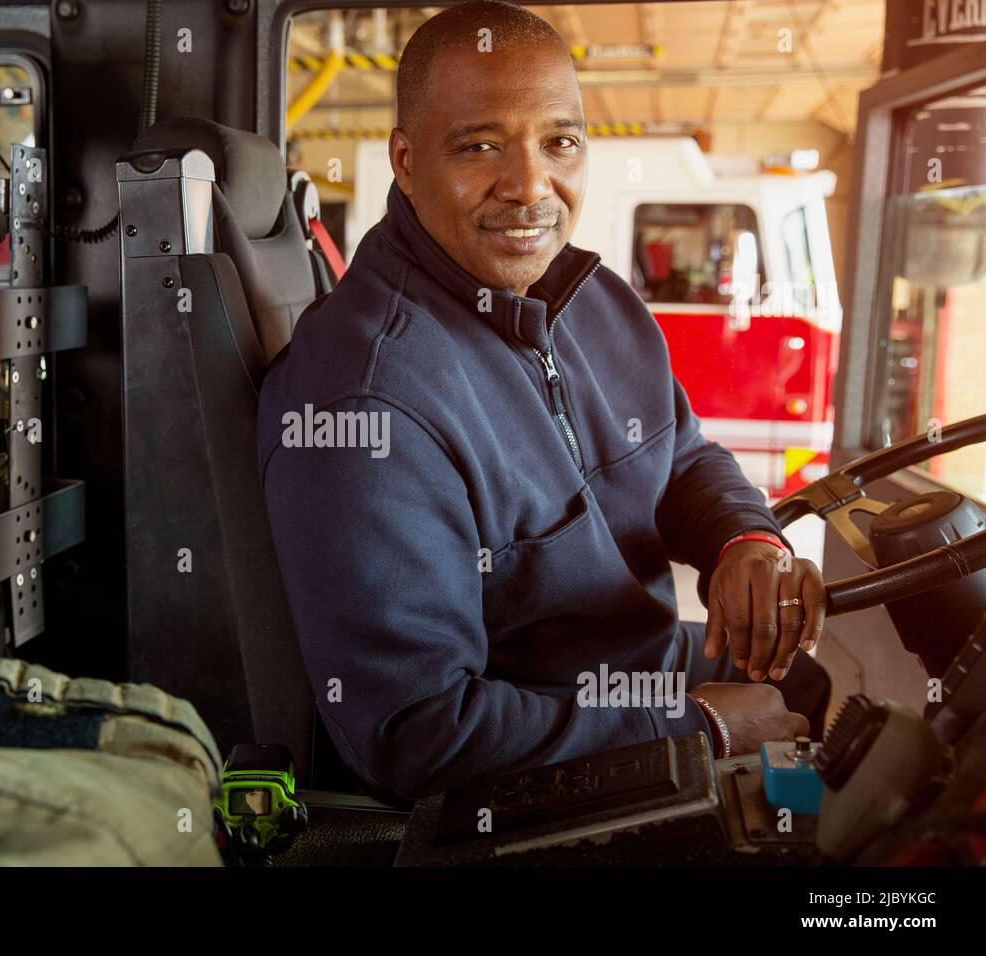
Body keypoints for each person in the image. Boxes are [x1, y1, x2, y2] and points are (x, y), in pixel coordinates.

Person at [257, 0, 830, 801]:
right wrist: (698, 730)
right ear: (406, 160)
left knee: (804, 693)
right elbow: (418, 731)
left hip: (635, 669)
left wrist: (743, 541)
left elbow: (684, 456)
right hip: (540, 754)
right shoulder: (366, 403)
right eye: (480, 146)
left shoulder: (591, 298)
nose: (531, 186)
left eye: (559, 142)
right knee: (790, 757)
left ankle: (805, 845)